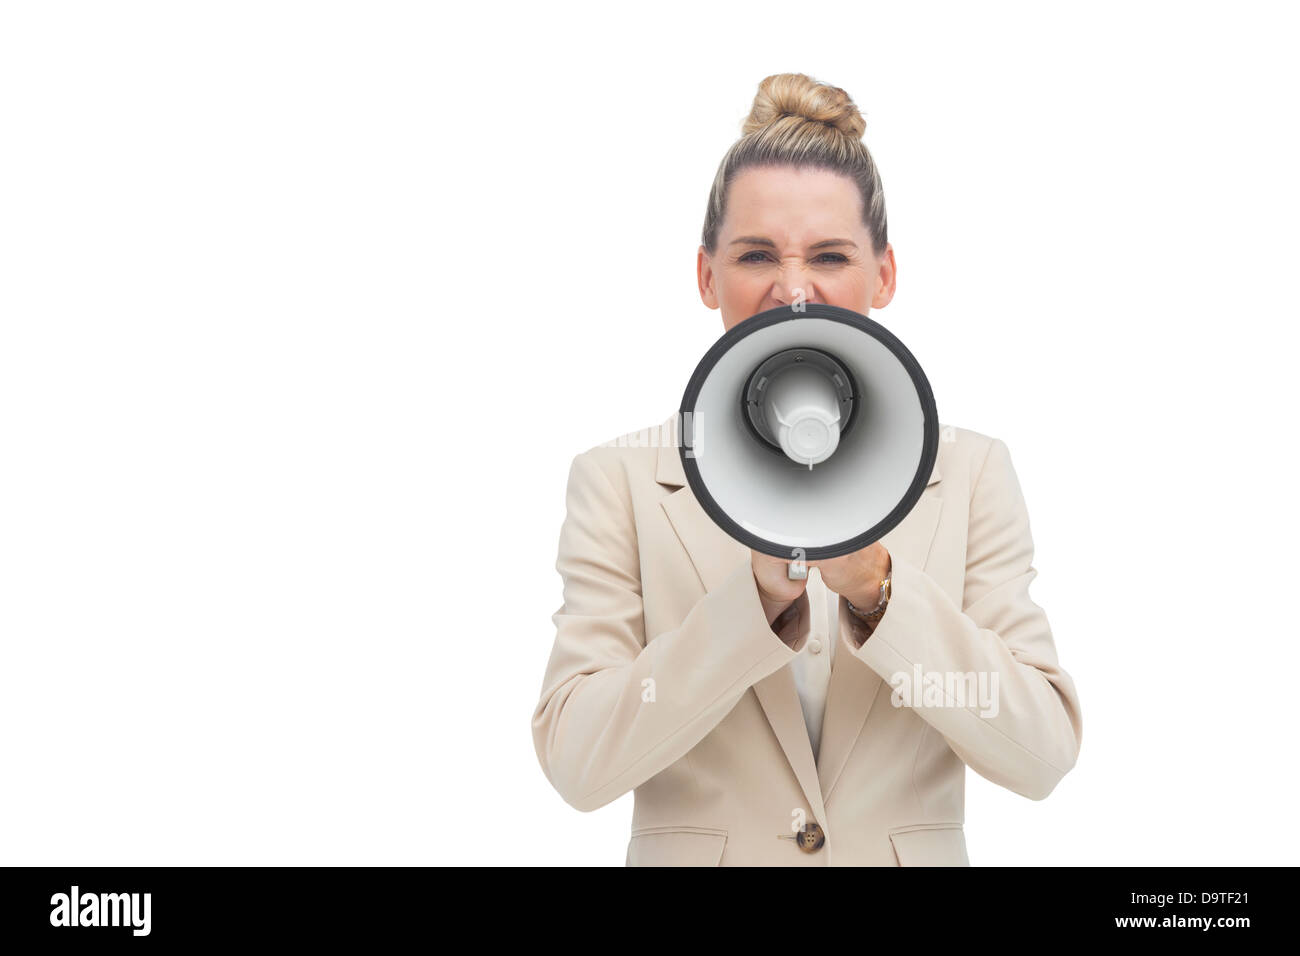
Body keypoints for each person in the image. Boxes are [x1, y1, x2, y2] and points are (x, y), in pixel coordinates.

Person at [531, 72, 1083, 866]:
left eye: (830, 256)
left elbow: (1041, 754)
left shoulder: (968, 476)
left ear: (884, 275)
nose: (794, 290)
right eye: (757, 255)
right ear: (706, 275)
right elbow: (579, 765)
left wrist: (882, 594)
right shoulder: (618, 481)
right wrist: (748, 609)